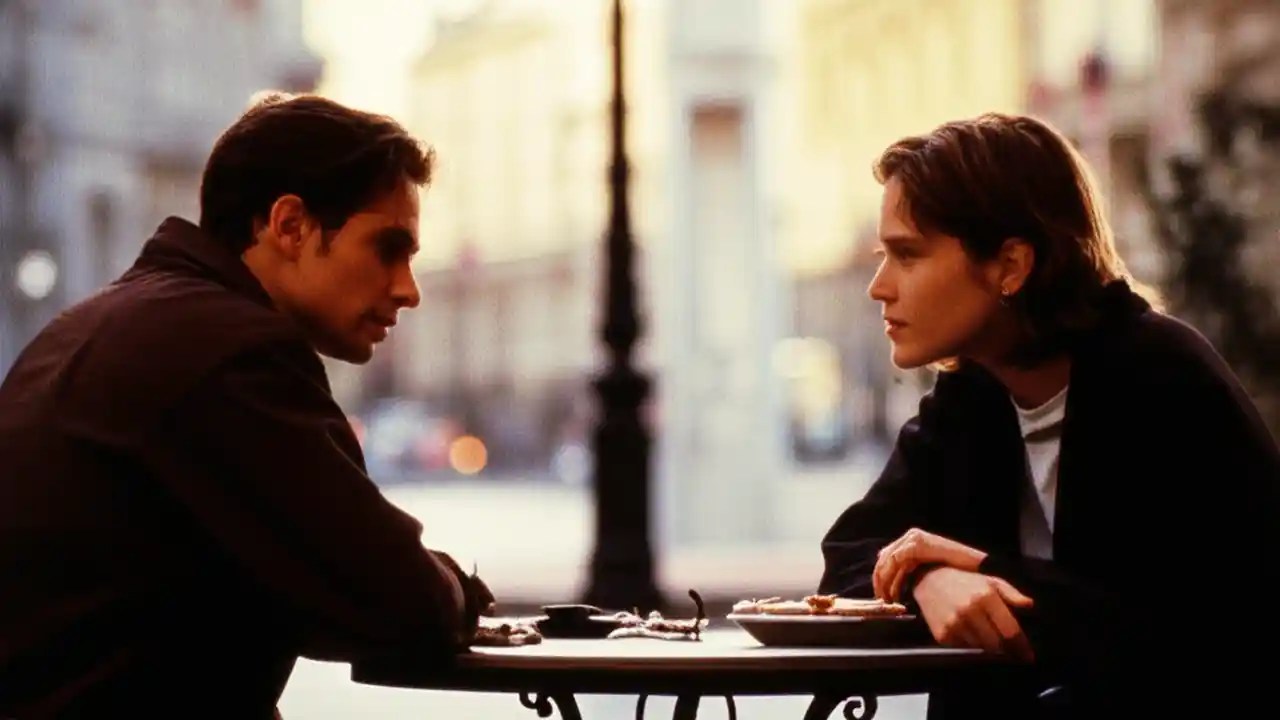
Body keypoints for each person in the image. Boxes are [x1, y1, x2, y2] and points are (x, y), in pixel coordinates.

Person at [0, 94, 493, 718]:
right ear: (289, 226)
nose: (408, 290)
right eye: (387, 249)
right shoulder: (231, 351)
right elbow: (401, 601)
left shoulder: (101, 323)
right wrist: (457, 587)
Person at [818, 113, 1280, 718]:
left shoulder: (1160, 377)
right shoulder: (972, 396)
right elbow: (848, 556)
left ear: (1011, 265)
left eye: (907, 255)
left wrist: (982, 569)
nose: (879, 286)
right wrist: (924, 580)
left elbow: (1173, 627)